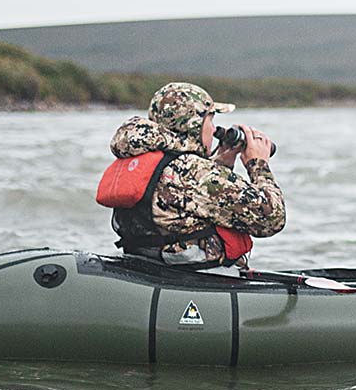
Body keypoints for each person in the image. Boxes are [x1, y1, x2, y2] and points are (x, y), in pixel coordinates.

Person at [100, 82, 284, 266]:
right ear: (193, 124)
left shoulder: (149, 159)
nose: (214, 130)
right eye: (210, 120)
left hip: (150, 266)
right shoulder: (196, 172)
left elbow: (193, 201)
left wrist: (221, 164)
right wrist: (258, 164)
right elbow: (272, 219)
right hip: (194, 277)